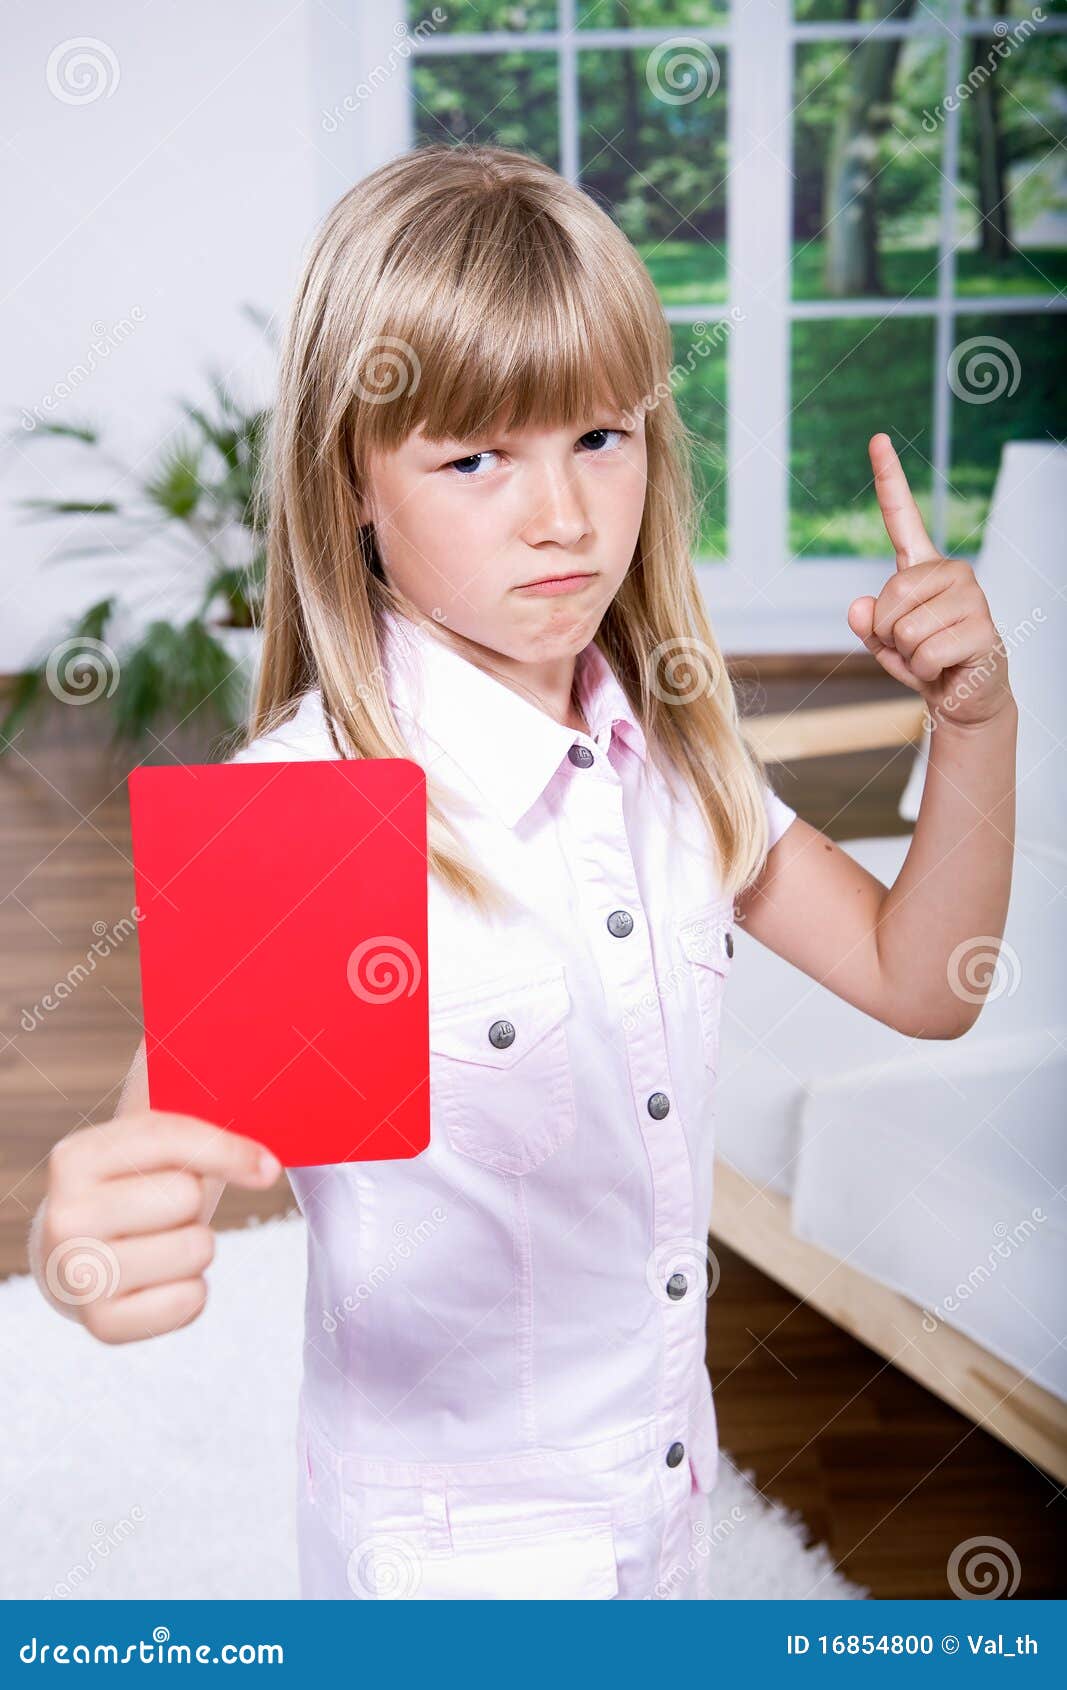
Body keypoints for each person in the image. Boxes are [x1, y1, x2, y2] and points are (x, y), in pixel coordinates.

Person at [29, 143, 1017, 1600]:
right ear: (349, 481)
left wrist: (975, 723)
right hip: (450, 1585)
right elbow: (158, 1149)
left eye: (598, 437)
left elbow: (924, 983)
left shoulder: (675, 751)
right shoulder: (317, 809)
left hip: (662, 1525)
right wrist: (90, 1246)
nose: (561, 515)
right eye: (476, 456)